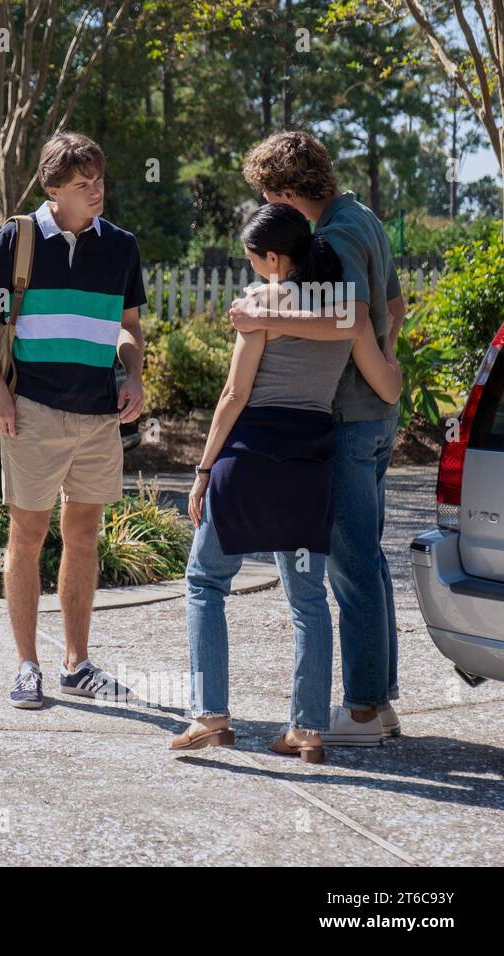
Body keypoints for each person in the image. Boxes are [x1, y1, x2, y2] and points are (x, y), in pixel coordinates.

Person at [170, 203, 401, 763]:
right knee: (307, 599)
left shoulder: (259, 304)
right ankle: (307, 730)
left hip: (249, 457)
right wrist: (386, 339)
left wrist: (202, 472)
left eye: (253, 259)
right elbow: (389, 389)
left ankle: (211, 718)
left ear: (274, 257)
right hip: (311, 459)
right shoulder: (346, 313)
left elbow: (234, 396)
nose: (251, 268)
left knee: (204, 581)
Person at [233, 131, 407, 746]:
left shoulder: (332, 235)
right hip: (377, 415)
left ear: (286, 191)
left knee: (352, 564)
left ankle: (361, 713)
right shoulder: (362, 215)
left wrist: (261, 316)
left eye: (268, 194)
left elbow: (350, 317)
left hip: (349, 420)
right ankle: (379, 704)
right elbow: (395, 305)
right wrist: (386, 368)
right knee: (370, 558)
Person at [0, 132, 146, 709]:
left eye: (99, 180)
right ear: (53, 188)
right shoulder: (17, 239)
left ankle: (77, 665)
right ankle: (26, 666)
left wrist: (134, 372)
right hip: (33, 411)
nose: (97, 192)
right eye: (82, 185)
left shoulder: (121, 246)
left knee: (84, 535)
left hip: (98, 416)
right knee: (27, 535)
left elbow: (129, 327)